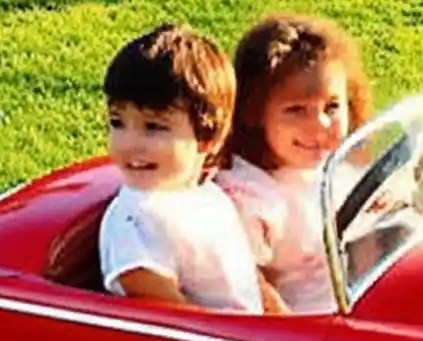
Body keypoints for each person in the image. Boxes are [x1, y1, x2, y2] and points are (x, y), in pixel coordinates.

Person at [98, 23, 285, 313]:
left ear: (207, 138)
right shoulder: (134, 221)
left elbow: (246, 279)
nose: (129, 143)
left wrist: (284, 323)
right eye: (117, 122)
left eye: (154, 127)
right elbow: (173, 317)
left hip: (245, 336)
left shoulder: (205, 194)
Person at [214, 14, 373, 314]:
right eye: (296, 110)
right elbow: (254, 289)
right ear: (255, 112)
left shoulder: (336, 167)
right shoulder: (251, 196)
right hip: (314, 332)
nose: (320, 125)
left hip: (365, 302)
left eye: (332, 107)